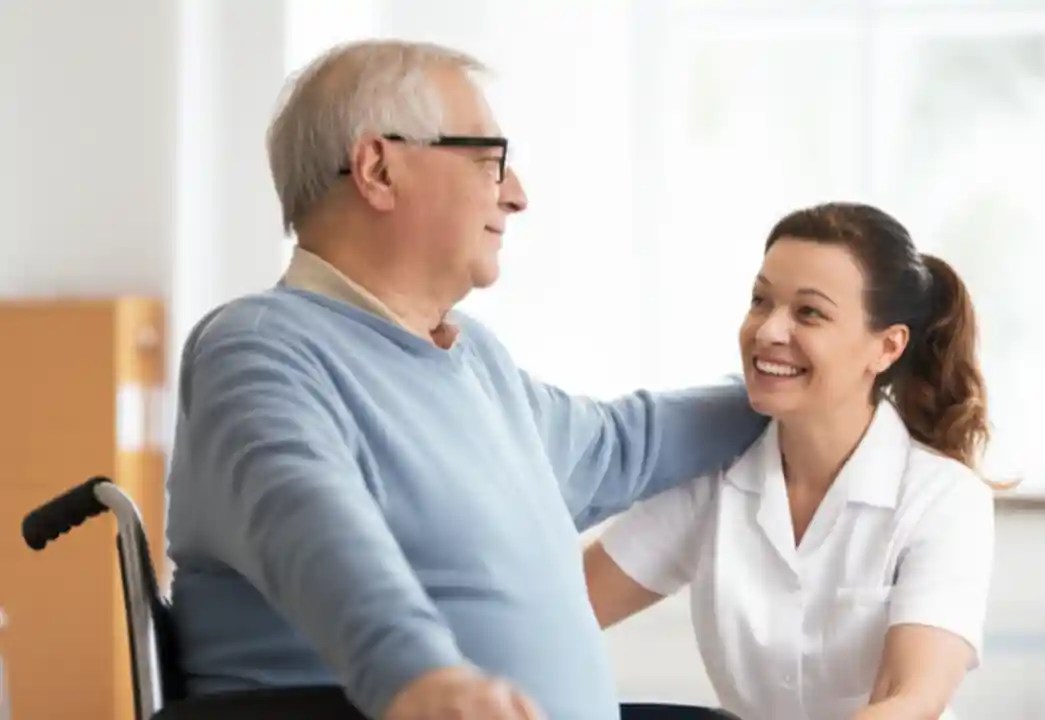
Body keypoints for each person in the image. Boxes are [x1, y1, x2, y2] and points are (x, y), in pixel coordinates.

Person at [164, 40, 766, 720]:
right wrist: (418, 678)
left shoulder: (470, 357)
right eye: (489, 162)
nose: (516, 195)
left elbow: (620, 446)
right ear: (379, 169)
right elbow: (313, 529)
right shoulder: (259, 350)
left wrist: (801, 387)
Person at [584, 202, 996, 720]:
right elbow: (563, 611)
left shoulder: (943, 498)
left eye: (809, 313)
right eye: (760, 301)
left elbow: (911, 700)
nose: (767, 331)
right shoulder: (715, 477)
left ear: (887, 347)